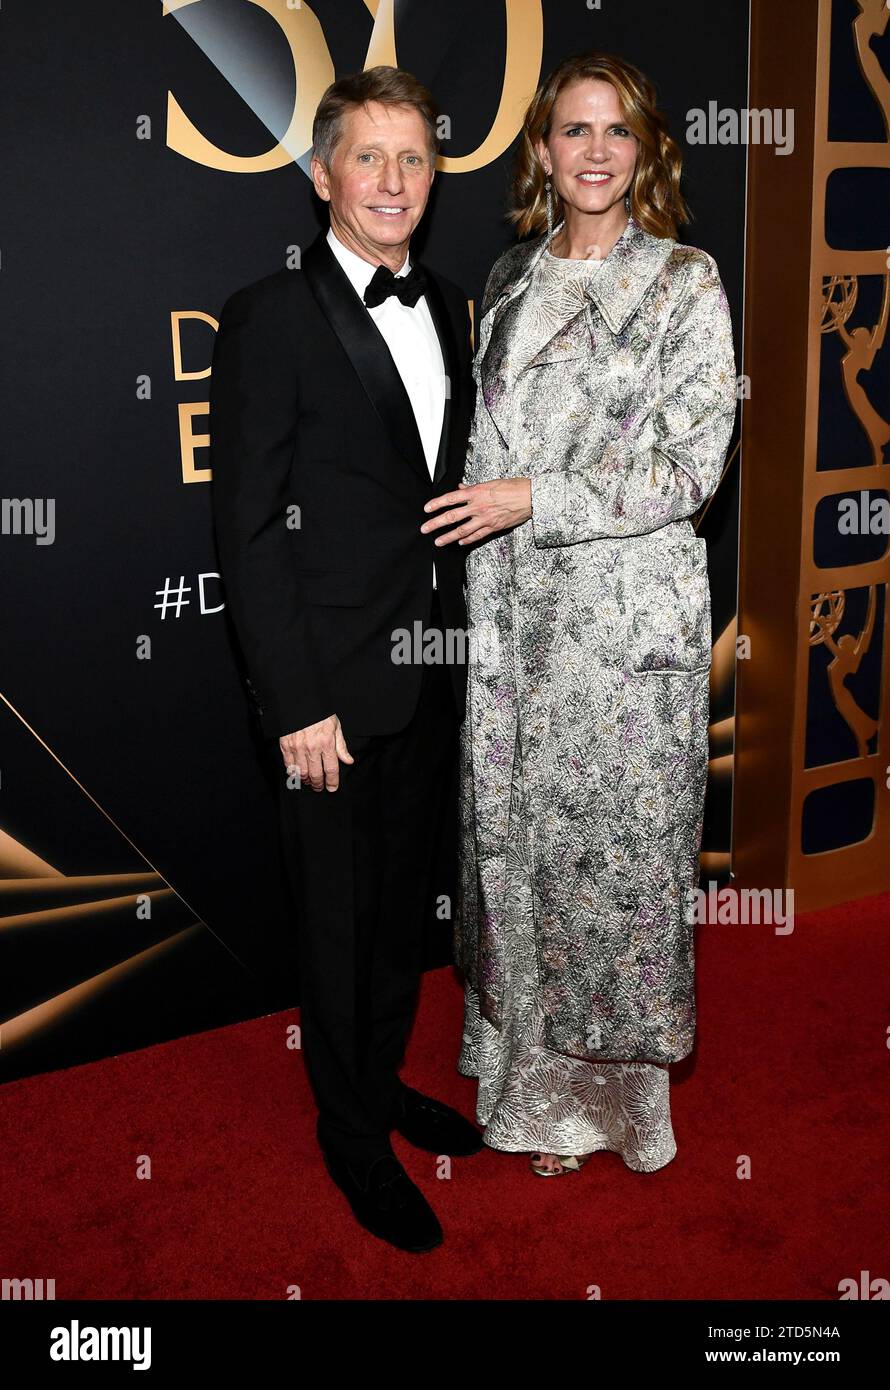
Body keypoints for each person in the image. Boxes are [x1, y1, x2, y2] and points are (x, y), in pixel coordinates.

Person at [423, 51, 737, 1177]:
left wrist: (532, 499)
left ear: (644, 148)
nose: (593, 150)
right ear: (542, 151)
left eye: (615, 130)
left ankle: (611, 1108)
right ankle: (527, 1093)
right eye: (572, 130)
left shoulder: (682, 280)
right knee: (518, 849)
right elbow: (482, 443)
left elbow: (690, 466)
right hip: (514, 623)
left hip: (622, 634)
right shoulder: (510, 274)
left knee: (614, 865)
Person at [210, 66, 481, 1253]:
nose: (392, 180)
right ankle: (349, 1138)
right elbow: (247, 528)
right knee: (333, 922)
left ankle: (379, 1087)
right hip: (327, 697)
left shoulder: (455, 305)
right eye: (367, 157)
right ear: (321, 174)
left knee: (393, 927)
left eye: (413, 158)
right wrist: (297, 705)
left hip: (430, 669)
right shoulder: (269, 316)